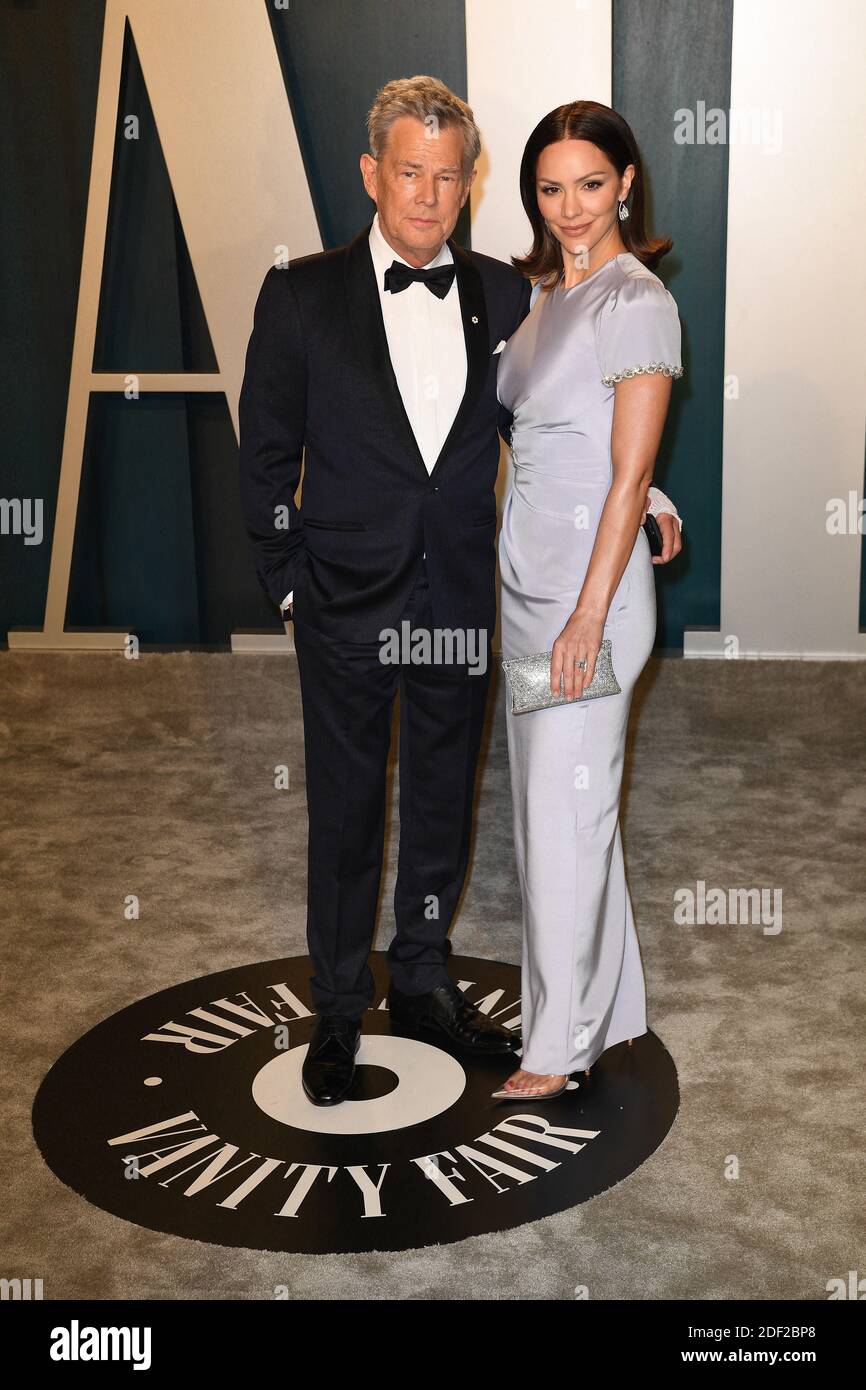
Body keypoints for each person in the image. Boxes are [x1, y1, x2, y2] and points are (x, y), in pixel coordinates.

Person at [238, 77, 682, 1107]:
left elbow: (581, 418)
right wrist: (290, 590)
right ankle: (340, 1010)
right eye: (408, 172)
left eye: (447, 175)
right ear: (370, 175)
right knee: (347, 816)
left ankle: (425, 978)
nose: (428, 196)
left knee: (440, 804)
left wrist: (644, 490)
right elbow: (263, 458)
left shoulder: (504, 291)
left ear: (469, 182)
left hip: (461, 605)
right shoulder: (301, 295)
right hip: (345, 606)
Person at [492, 100, 684, 1101]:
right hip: (528, 592)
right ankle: (600, 1011)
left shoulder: (634, 300)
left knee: (565, 817)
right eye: (549, 188)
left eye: (590, 185)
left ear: (625, 184)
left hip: (589, 606)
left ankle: (554, 1051)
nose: (569, 207)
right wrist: (639, 494)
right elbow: (562, 436)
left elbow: (625, 465)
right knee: (553, 816)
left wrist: (584, 611)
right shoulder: (545, 297)